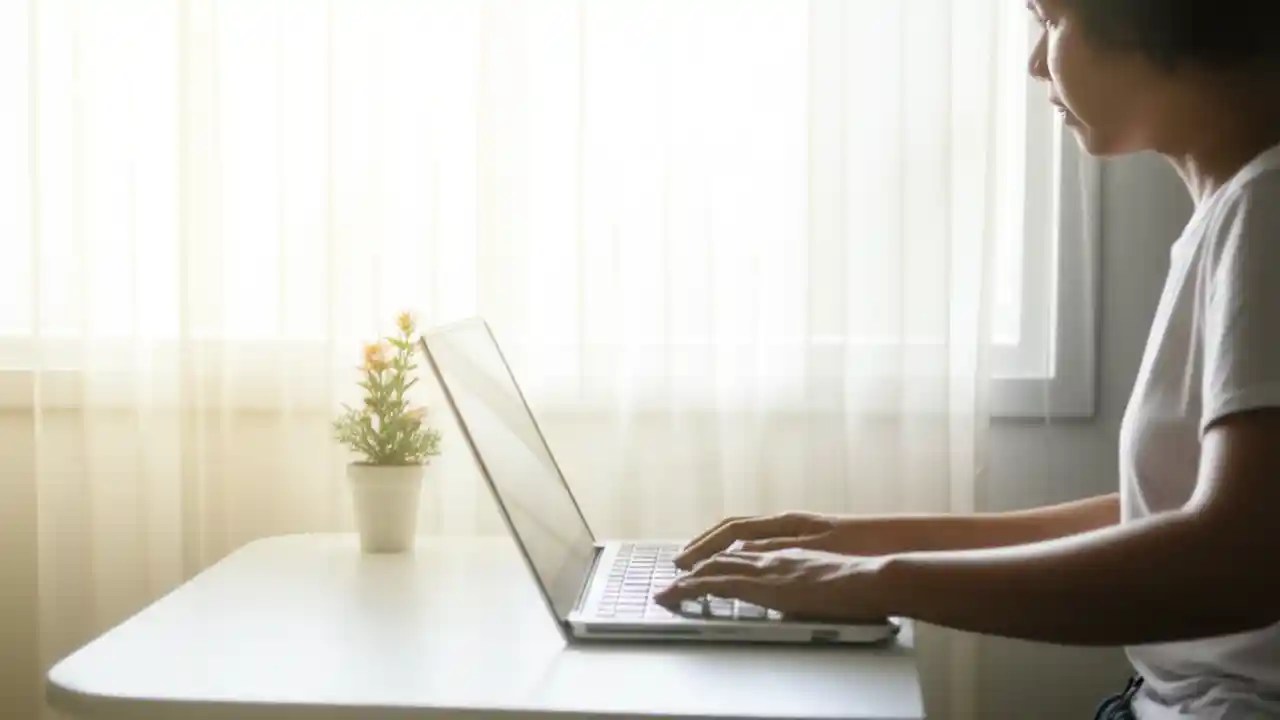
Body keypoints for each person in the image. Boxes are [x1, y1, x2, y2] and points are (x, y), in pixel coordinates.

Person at [654, 1, 1280, 717]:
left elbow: (1236, 562)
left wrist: (873, 581)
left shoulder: (1267, 209)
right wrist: (855, 544)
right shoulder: (1238, 208)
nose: (1036, 61)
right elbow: (1167, 514)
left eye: (1051, 20)